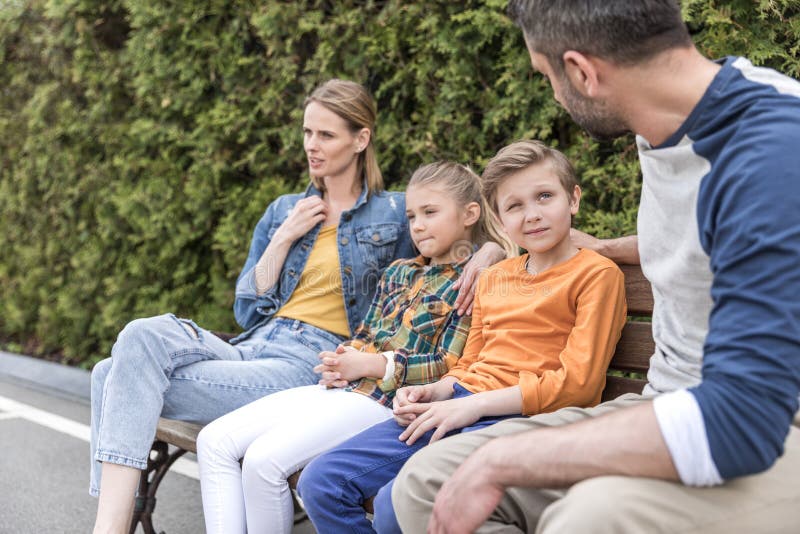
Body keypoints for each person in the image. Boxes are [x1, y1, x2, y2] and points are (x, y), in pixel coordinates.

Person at [391, 2, 800, 533]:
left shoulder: (772, 147)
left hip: (765, 423)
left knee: (588, 519)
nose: (554, 96)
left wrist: (504, 460)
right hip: (666, 401)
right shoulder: (663, 123)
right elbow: (712, 235)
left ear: (584, 73)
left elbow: (739, 419)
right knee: (425, 484)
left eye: (547, 77)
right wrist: (600, 248)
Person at [88, 80, 502, 534]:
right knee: (131, 346)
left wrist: (489, 251)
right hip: (253, 345)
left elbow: (470, 229)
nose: (312, 146)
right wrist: (284, 237)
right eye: (307, 133)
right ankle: (113, 525)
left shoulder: (396, 212)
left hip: (312, 361)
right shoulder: (285, 209)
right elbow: (247, 309)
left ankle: (111, 528)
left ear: (360, 140)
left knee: (113, 378)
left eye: (325, 135)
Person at [296, 140, 628, 534]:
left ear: (573, 199)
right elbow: (470, 363)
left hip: (522, 415)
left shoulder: (597, 275)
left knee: (394, 502)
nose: (533, 215)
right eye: (515, 206)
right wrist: (437, 391)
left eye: (544, 197)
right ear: (500, 220)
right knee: (320, 482)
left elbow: (579, 385)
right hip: (459, 403)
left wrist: (473, 406)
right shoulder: (495, 276)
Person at [195, 160, 514, 534]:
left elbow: (451, 363)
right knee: (214, 440)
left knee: (264, 462)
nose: (418, 225)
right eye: (412, 216)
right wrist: (342, 357)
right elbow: (366, 332)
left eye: (430, 212)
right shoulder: (398, 271)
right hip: (342, 391)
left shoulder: (474, 279)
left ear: (469, 214)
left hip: (383, 402)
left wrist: (375, 365)